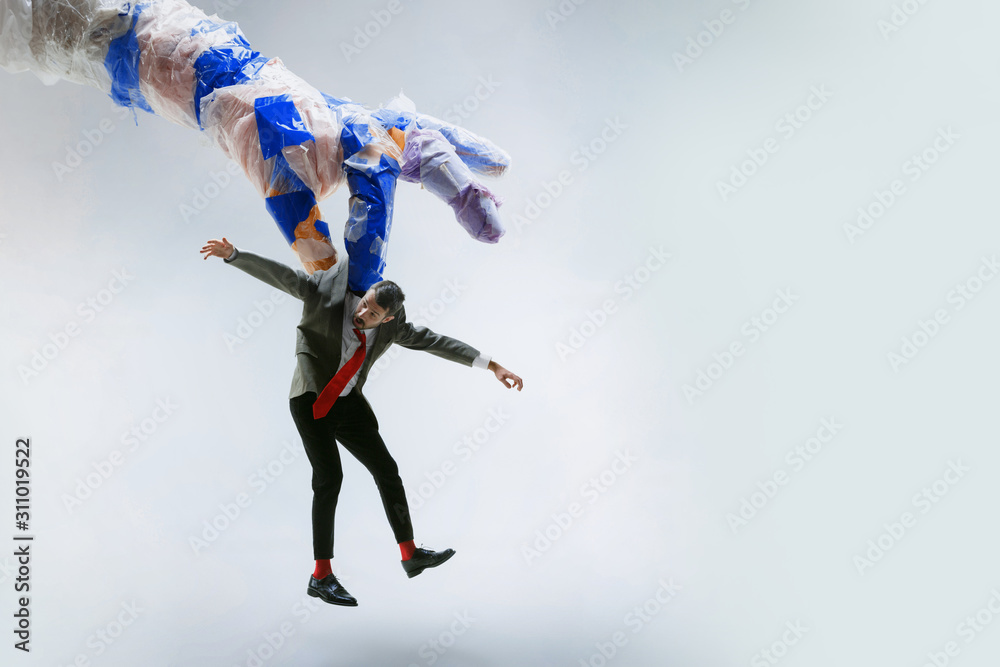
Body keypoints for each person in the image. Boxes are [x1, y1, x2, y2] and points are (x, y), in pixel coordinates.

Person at [200, 237, 523, 607]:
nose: (363, 313)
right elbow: (284, 277)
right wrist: (235, 255)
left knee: (387, 470)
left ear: (387, 319)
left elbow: (433, 340)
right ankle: (321, 576)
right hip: (311, 398)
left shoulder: (392, 328)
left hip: (347, 402)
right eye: (365, 303)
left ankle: (410, 554)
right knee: (329, 479)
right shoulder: (327, 293)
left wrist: (492, 365)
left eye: (372, 314)